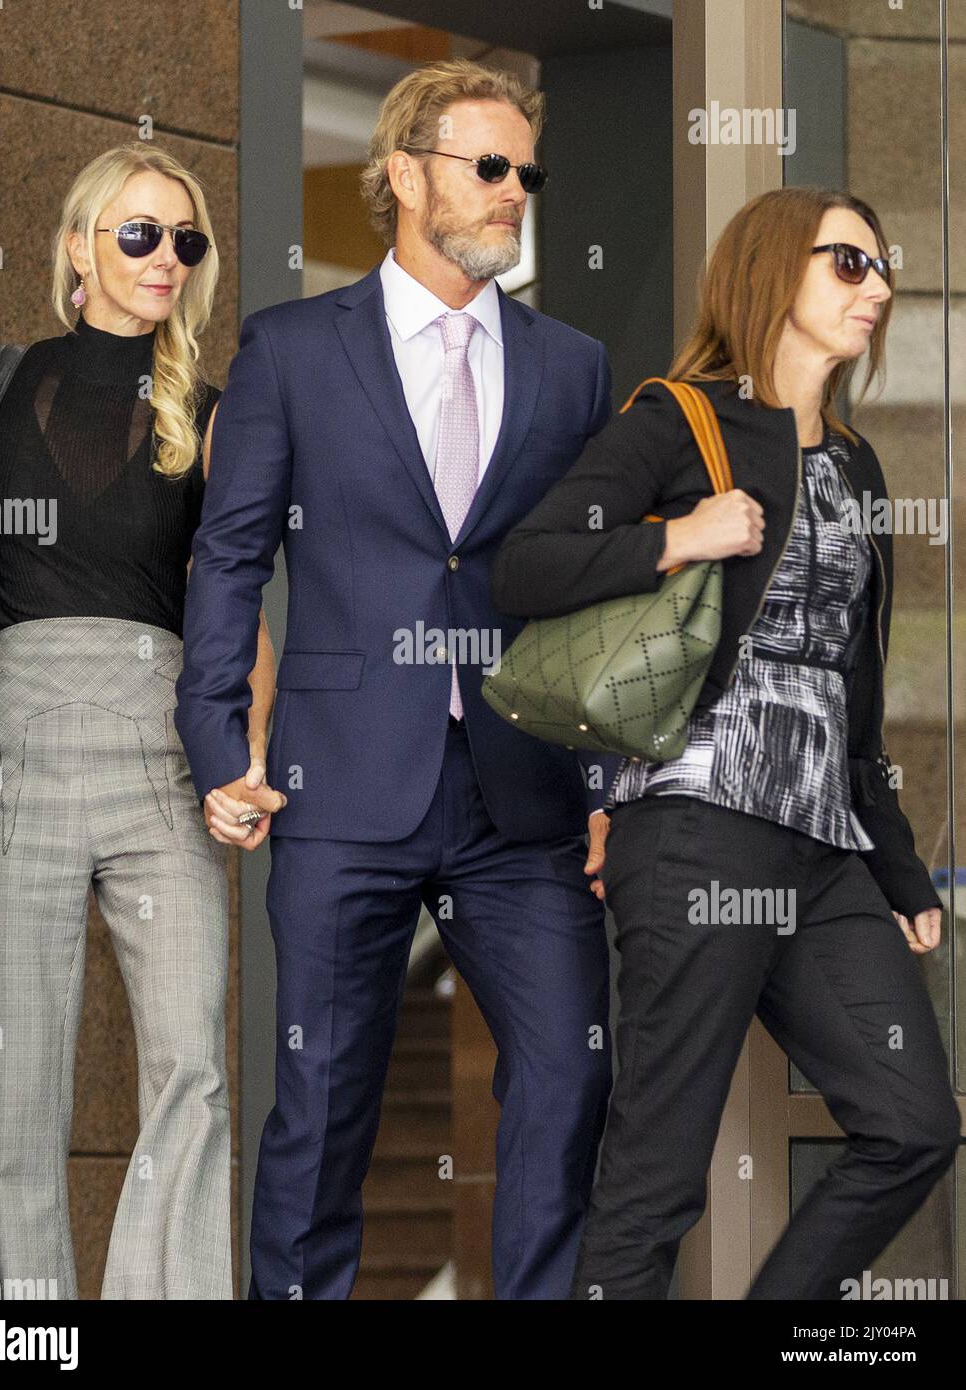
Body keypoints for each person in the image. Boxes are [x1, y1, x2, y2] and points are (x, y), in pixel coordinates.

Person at [175, 58, 619, 1300]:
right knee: (320, 1106)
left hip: (519, 799)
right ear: (405, 176)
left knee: (569, 1073)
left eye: (526, 171)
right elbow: (227, 558)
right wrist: (223, 747)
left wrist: (604, 781)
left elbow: (590, 594)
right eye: (489, 167)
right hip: (337, 785)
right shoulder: (292, 350)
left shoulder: (571, 365)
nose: (514, 192)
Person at [491, 187, 961, 1300]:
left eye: (879, 265)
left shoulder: (854, 466)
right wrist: (677, 536)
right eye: (847, 262)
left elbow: (856, 690)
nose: (877, 287)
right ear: (770, 269)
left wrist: (894, 867)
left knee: (913, 1123)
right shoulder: (678, 420)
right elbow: (525, 566)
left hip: (821, 844)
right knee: (656, 1173)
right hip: (699, 831)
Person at [0, 144, 275, 1300]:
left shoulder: (210, 410)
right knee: (15, 1082)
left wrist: (240, 759)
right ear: (79, 245)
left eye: (185, 241)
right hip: (21, 744)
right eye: (140, 233)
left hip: (160, 744)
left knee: (192, 1065)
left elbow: (235, 604)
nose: (165, 259)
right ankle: (20, 1330)